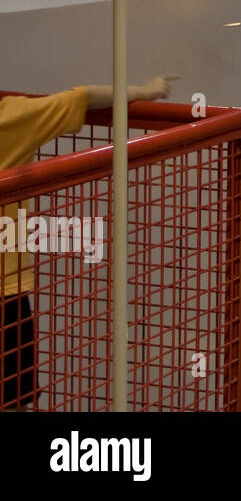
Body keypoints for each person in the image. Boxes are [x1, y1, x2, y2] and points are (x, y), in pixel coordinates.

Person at [0, 75, 178, 410]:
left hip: (9, 292)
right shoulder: (11, 118)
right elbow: (81, 97)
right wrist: (145, 90)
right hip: (6, 295)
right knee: (15, 401)